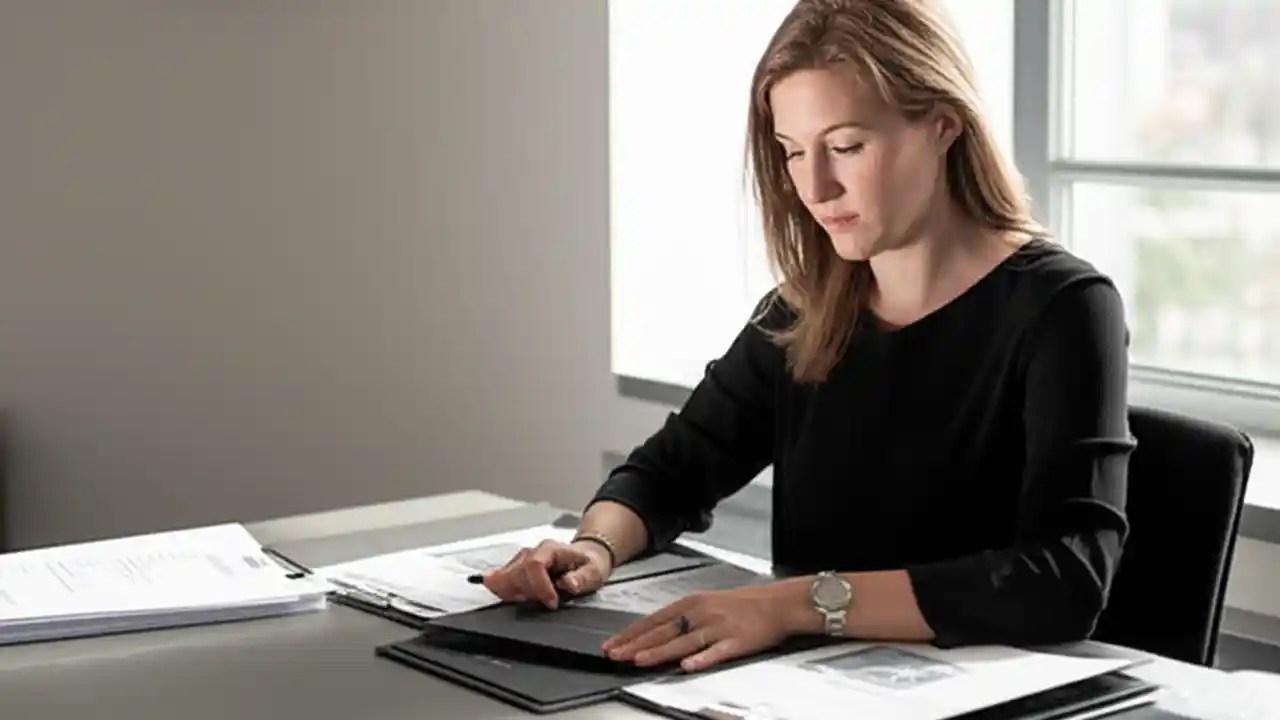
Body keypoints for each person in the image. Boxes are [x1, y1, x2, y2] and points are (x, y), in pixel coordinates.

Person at [483, 0, 1132, 674]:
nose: (816, 188)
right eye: (793, 153)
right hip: (804, 691)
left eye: (847, 146)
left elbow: (1065, 576)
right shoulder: (804, 309)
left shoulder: (1064, 307)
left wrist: (795, 605)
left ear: (944, 124)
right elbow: (672, 470)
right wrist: (593, 549)